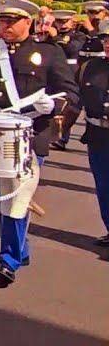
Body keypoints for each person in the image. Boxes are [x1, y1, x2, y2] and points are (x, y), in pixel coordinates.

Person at [0, 0, 78, 286]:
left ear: (28, 22)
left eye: (13, 21)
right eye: (2, 20)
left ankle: (9, 258)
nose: (6, 26)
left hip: (29, 133)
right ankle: (20, 249)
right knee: (0, 193)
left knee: (15, 195)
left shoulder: (47, 52)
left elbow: (70, 94)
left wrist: (52, 107)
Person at [78, 20, 109, 249]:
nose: (108, 44)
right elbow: (75, 102)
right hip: (98, 135)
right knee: (104, 187)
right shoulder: (90, 67)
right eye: (106, 40)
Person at [48, 10, 88, 151]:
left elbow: (71, 49)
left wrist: (55, 37)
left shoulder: (79, 36)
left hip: (70, 73)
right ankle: (49, 133)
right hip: (52, 73)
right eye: (59, 21)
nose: (62, 24)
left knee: (69, 106)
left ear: (72, 22)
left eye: (65, 21)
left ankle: (61, 137)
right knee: (51, 105)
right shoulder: (49, 36)